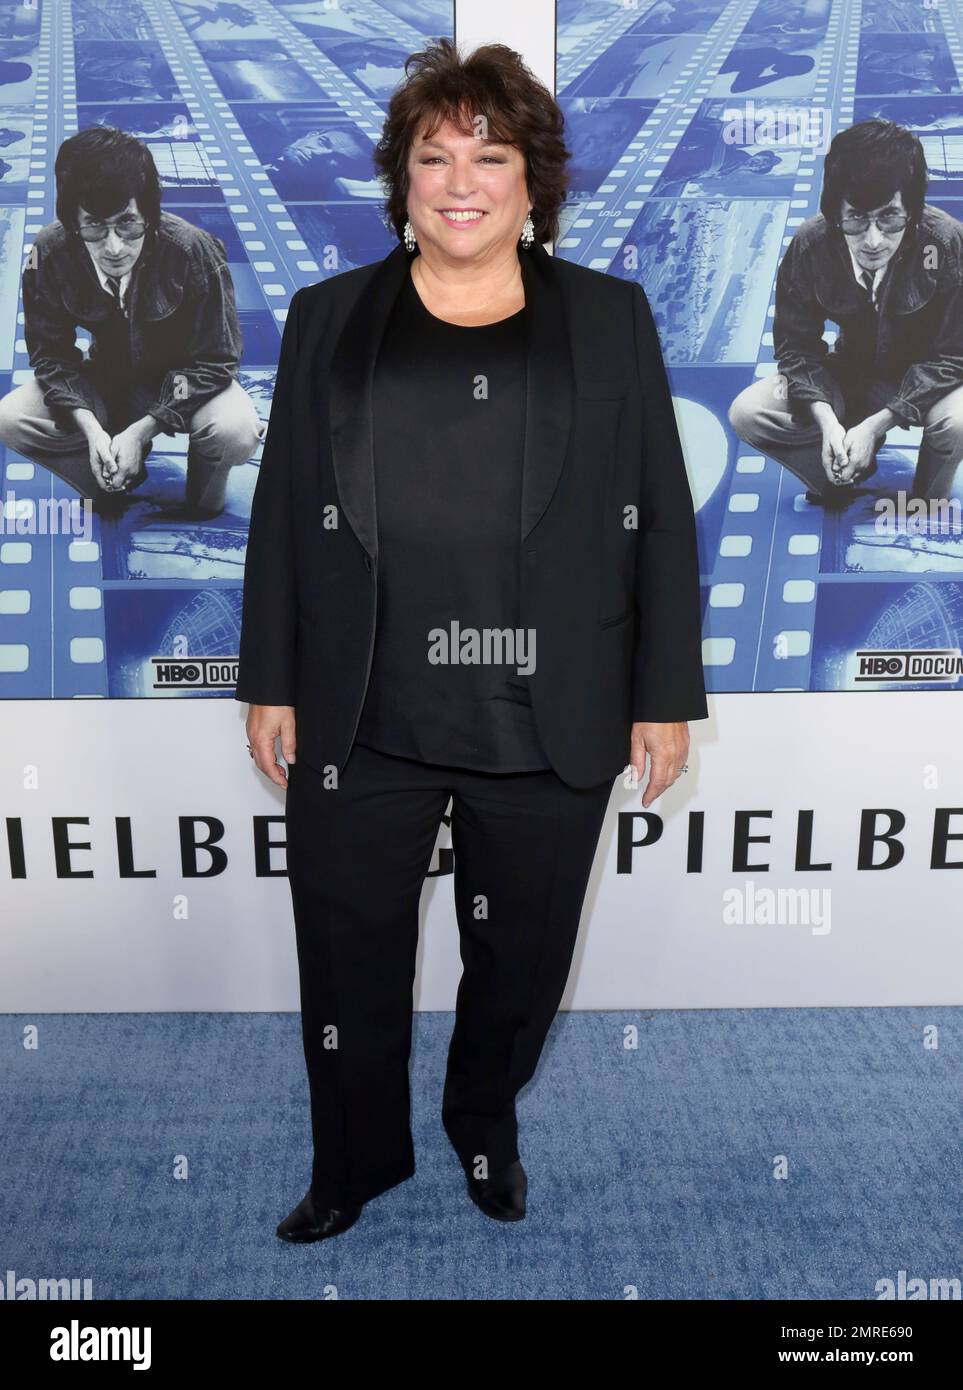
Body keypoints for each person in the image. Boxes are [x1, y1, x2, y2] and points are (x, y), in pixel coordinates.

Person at [236, 38, 707, 1242]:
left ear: (531, 182)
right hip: (363, 710)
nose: (460, 180)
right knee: (347, 964)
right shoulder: (327, 318)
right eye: (433, 156)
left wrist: (663, 695)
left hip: (550, 711)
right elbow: (287, 510)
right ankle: (353, 1159)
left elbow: (657, 512)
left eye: (489, 156)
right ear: (402, 180)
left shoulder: (611, 319)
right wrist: (271, 678)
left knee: (522, 966)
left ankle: (483, 1122)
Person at [0, 126, 264, 516]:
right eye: (93, 225)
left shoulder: (194, 250)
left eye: (127, 223)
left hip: (182, 382)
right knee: (10, 418)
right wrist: (91, 430)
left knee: (234, 432)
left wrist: (143, 430)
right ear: (72, 220)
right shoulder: (49, 252)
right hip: (104, 379)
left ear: (149, 214)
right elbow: (51, 357)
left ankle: (199, 484)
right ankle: (109, 472)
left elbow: (217, 361)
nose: (113, 246)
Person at [729, 119, 963, 508]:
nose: (873, 240)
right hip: (851, 374)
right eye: (855, 217)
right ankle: (840, 470)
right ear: (835, 211)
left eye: (889, 217)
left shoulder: (946, 242)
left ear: (913, 211)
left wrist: (879, 424)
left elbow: (956, 356)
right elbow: (795, 348)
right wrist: (827, 423)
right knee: (748, 412)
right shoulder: (811, 244)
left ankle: (928, 495)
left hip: (927, 382)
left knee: (959, 420)